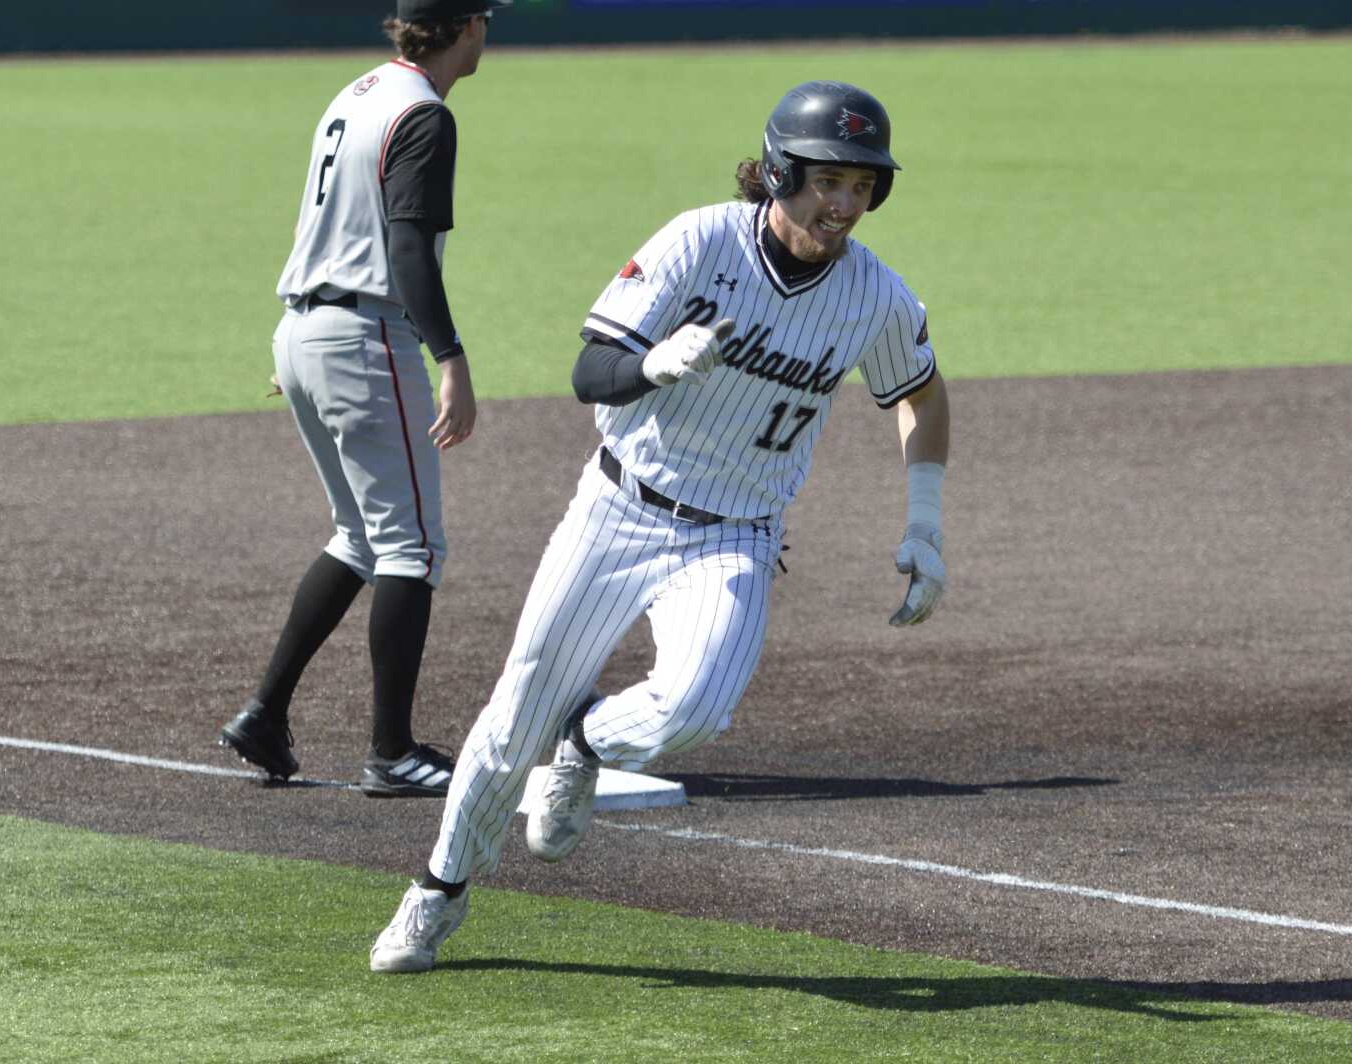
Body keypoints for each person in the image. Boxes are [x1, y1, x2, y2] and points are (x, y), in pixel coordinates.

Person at [370, 80, 950, 970]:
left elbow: (918, 390)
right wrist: (653, 363)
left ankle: (585, 738)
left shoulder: (874, 295)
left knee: (694, 710)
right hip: (618, 508)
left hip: (738, 533)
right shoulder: (700, 240)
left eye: (863, 186)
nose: (845, 203)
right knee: (510, 717)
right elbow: (589, 370)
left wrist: (925, 521)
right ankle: (438, 889)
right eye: (829, 180)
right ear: (782, 171)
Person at [216, 0, 510, 797]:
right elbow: (407, 244)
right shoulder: (423, 114)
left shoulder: (359, 92)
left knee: (359, 535)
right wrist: (450, 355)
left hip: (304, 328)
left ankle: (264, 714)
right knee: (412, 548)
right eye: (486, 16)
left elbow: (329, 221)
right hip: (363, 337)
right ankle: (392, 752)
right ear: (469, 26)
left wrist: (308, 348)